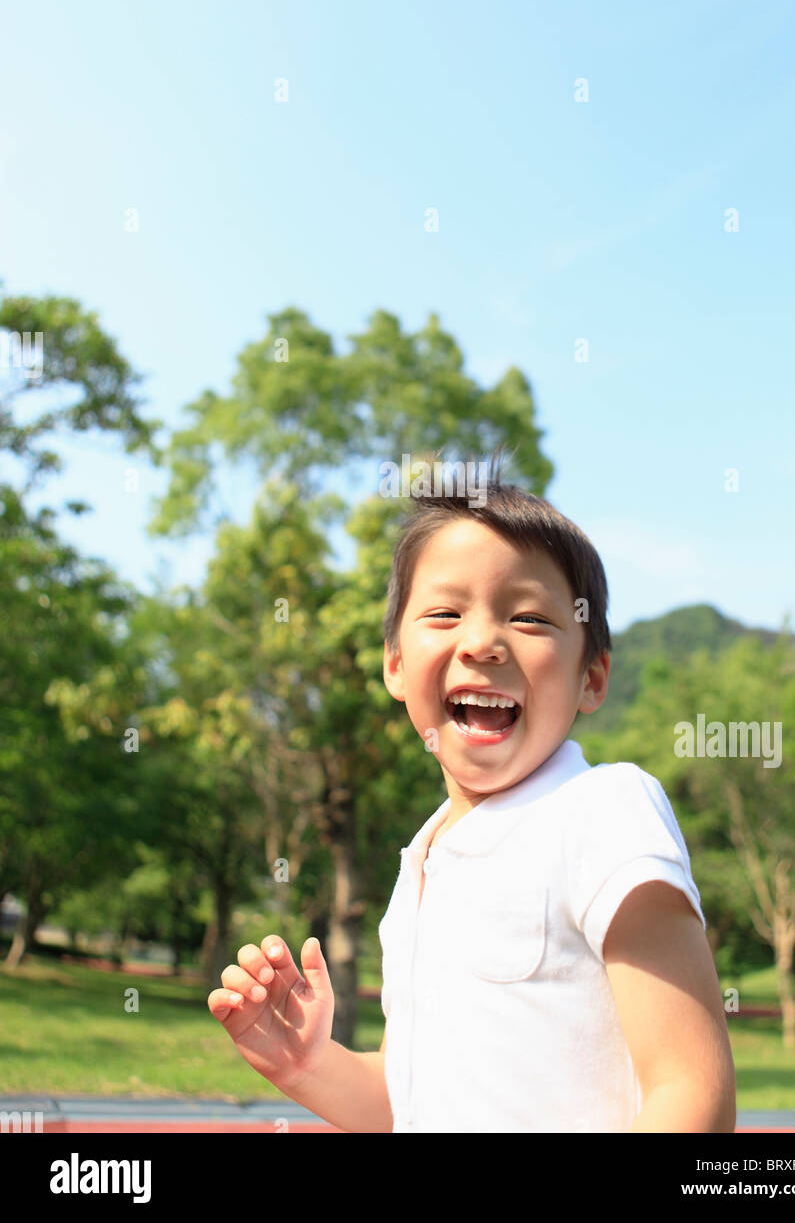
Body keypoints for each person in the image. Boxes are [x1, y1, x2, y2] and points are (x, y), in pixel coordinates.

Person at [208, 453, 736, 1133]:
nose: (483, 640)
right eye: (445, 613)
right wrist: (304, 1066)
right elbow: (407, 1104)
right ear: (396, 664)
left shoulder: (603, 811)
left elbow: (690, 1091)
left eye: (530, 619)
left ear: (592, 679)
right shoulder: (420, 864)